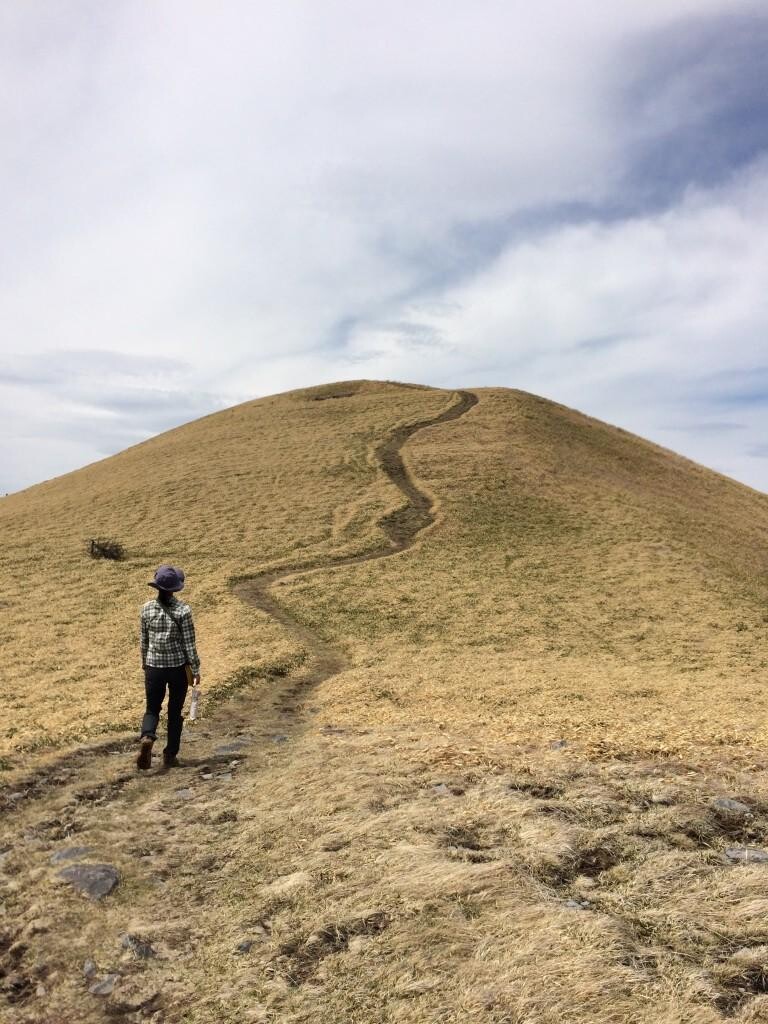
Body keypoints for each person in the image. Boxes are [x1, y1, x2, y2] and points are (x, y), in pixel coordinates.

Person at [137, 564, 201, 770]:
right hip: (177, 669)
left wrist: (145, 663)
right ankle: (170, 754)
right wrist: (196, 669)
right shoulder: (183, 610)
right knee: (175, 711)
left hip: (154, 667)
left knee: (152, 708)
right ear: (175, 589)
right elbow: (189, 644)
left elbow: (144, 641)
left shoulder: (146, 608)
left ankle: (147, 737)